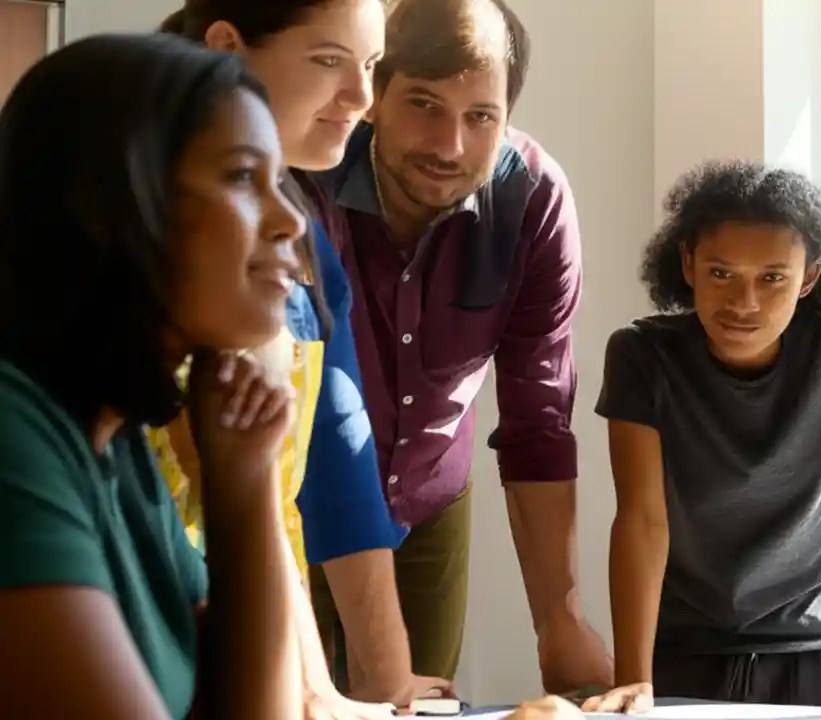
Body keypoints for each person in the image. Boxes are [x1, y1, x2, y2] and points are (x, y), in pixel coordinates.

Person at [306, 0, 612, 692]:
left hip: (429, 502)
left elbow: (539, 421)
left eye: (480, 117)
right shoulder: (309, 176)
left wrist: (560, 621)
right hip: (294, 495)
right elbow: (321, 405)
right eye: (423, 104)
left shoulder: (535, 202)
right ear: (373, 95)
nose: (449, 146)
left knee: (423, 707)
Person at [0, 33, 304, 718]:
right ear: (108, 204)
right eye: (240, 177)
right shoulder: (13, 434)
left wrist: (245, 481)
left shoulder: (117, 439)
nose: (291, 220)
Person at [159, 1, 452, 711]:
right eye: (329, 60)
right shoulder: (156, 232)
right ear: (227, 46)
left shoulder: (302, 231)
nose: (362, 98)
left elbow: (335, 463)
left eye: (372, 66)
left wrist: (370, 690)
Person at [584, 160, 821, 712]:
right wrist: (632, 681)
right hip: (684, 648)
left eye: (772, 278)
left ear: (808, 277)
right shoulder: (642, 355)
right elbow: (642, 519)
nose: (744, 303)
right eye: (721, 274)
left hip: (818, 645)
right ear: (688, 263)